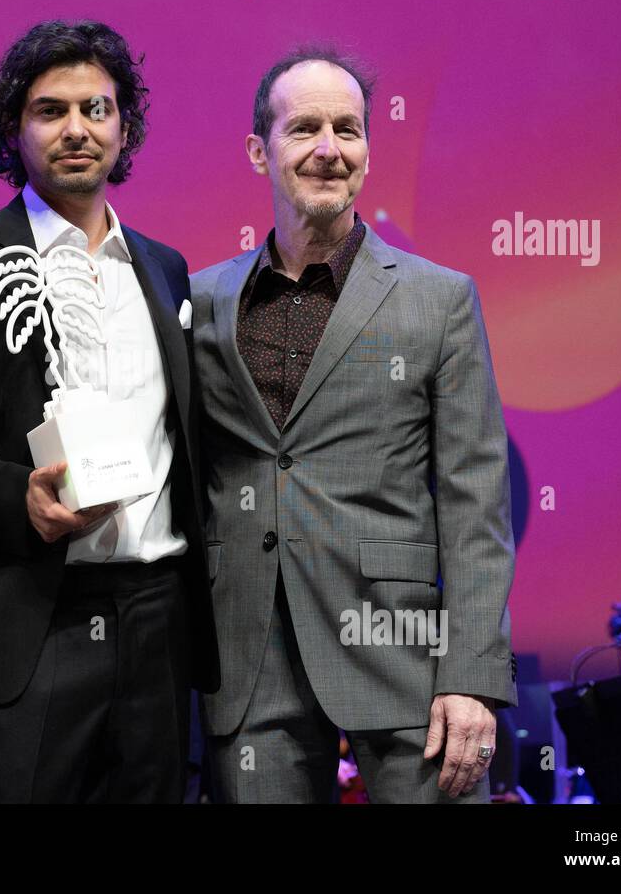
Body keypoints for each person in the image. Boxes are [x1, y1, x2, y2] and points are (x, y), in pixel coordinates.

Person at [191, 44, 517, 803]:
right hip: (247, 662)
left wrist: (471, 674)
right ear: (258, 150)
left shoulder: (440, 300)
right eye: (304, 128)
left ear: (369, 149)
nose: (329, 149)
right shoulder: (201, 300)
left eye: (349, 129)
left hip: (404, 656)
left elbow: (476, 503)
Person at [0, 19, 219, 803]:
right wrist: (17, 497)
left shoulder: (166, 269)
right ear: (14, 128)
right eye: (51, 110)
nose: (77, 129)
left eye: (97, 109)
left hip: (158, 620)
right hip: (29, 619)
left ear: (124, 127)